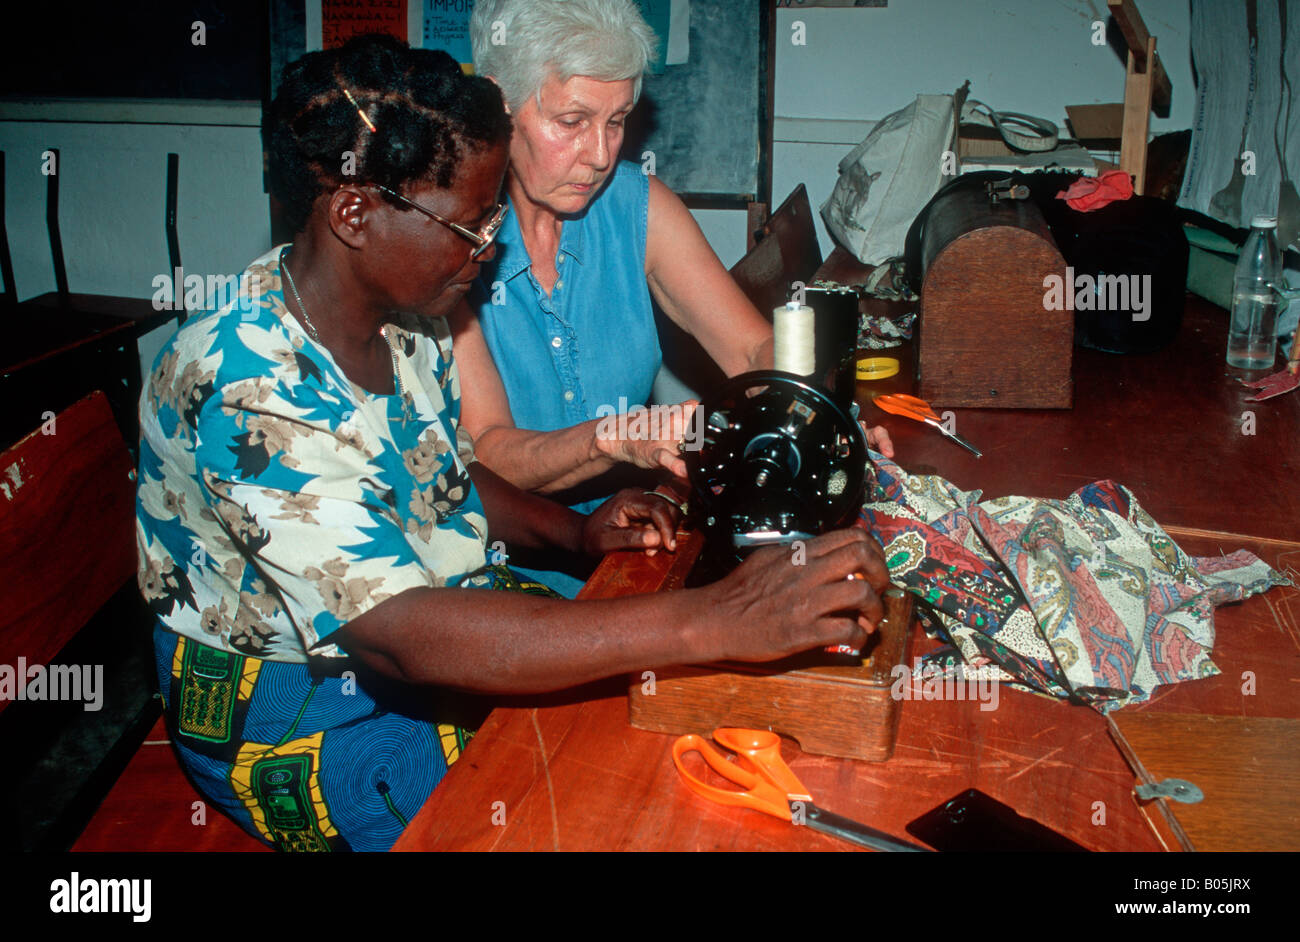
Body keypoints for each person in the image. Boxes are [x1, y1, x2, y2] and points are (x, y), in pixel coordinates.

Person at [134, 34, 888, 852]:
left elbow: (437, 474)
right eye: (468, 223)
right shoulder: (244, 383)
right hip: (302, 704)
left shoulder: (407, 313)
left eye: (494, 215)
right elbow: (403, 634)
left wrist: (570, 532)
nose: (490, 245)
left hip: (426, 618)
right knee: (575, 815)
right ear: (355, 213)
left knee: (652, 738)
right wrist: (711, 621)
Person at [451, 0, 892, 595]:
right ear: (497, 102)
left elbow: (751, 347)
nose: (602, 154)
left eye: (617, 120)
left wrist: (825, 420)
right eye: (572, 120)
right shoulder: (447, 242)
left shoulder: (639, 208)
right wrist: (615, 437)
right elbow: (489, 454)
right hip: (499, 569)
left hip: (635, 540)